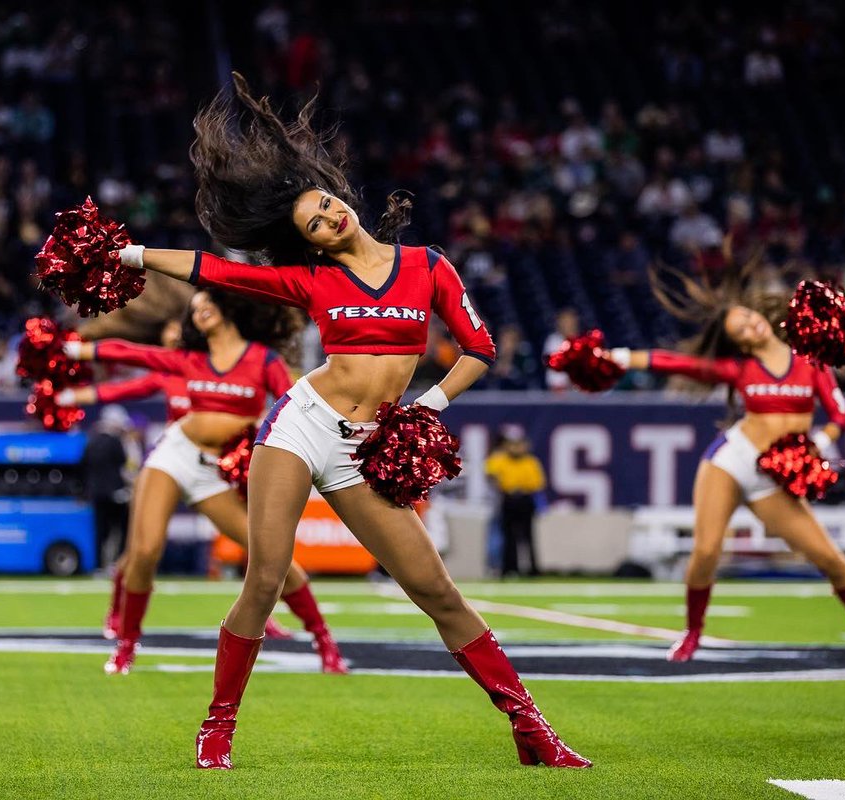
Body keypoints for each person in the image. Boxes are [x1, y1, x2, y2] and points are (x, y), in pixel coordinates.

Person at [103, 73, 589, 769]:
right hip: (301, 428)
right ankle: (217, 728)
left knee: (436, 590)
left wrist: (430, 403)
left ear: (342, 200)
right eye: (311, 224)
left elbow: (480, 349)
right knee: (266, 576)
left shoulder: (427, 265)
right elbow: (215, 269)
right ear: (312, 245)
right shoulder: (314, 280)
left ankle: (532, 729)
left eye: (326, 205)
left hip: (371, 449)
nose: (328, 217)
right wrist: (126, 254)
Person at [67, 289, 347, 676]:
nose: (200, 312)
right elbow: (135, 353)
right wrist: (77, 351)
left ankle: (324, 641)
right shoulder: (191, 359)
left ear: (228, 307)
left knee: (269, 556)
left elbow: (292, 408)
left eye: (207, 304)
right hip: (175, 453)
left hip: (214, 470)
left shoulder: (262, 360)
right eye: (194, 310)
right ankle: (126, 646)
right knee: (144, 551)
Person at [602, 265, 845, 661]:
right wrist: (616, 356)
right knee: (707, 551)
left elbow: (840, 415)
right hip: (731, 460)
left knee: (831, 559)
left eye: (747, 317)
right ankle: (692, 632)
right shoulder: (741, 368)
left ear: (760, 315)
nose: (748, 326)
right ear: (739, 344)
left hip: (772, 477)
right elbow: (674, 363)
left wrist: (818, 441)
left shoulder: (811, 360)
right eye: (738, 330)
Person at [484, 425, 546, 577]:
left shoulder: (530, 461)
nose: (517, 448)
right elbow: (490, 473)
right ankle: (509, 569)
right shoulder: (499, 459)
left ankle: (533, 569)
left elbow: (538, 483)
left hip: (525, 500)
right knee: (508, 536)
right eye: (513, 444)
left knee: (528, 537)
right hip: (508, 499)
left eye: (519, 444)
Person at [81, 405, 134, 570]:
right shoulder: (115, 441)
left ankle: (98, 565)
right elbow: (123, 463)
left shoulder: (91, 441)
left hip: (96, 493)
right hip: (115, 493)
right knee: (120, 529)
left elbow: (83, 467)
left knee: (100, 530)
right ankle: (117, 563)